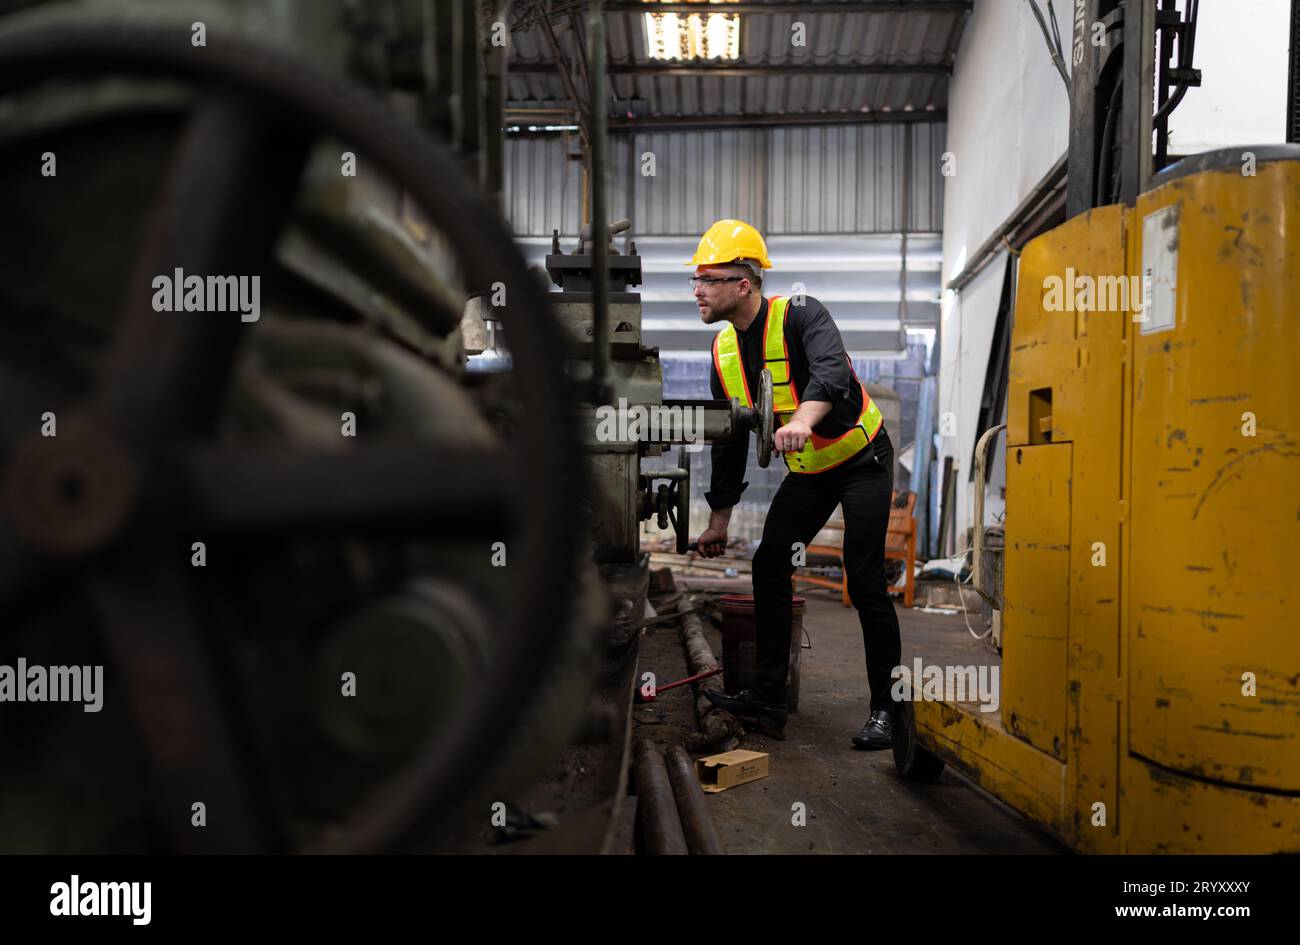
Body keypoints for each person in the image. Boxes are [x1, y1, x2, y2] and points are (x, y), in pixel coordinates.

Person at [689, 219, 901, 749]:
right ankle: (767, 700)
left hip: (861, 460)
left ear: (743, 284)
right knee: (769, 563)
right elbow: (730, 439)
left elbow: (830, 372)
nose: (697, 291)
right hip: (812, 473)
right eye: (695, 280)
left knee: (865, 576)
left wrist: (803, 420)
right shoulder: (723, 353)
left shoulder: (802, 313)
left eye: (708, 279)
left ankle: (889, 710)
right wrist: (719, 520)